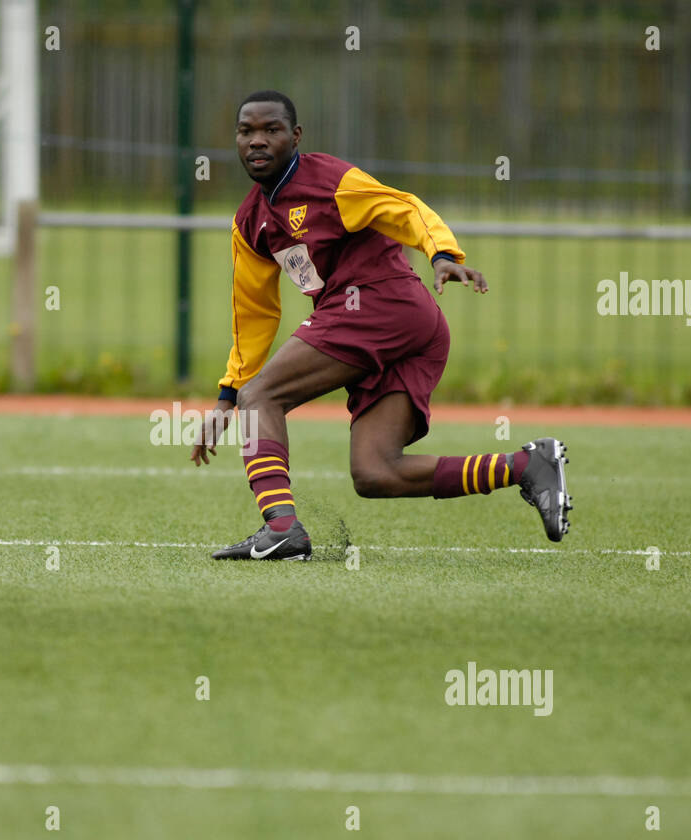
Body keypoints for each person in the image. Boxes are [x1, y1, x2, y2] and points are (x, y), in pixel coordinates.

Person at [191, 90, 571, 560]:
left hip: (379, 304)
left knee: (262, 397)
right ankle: (526, 465)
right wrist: (228, 395)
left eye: (271, 129)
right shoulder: (250, 223)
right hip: (404, 327)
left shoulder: (329, 181)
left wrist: (444, 254)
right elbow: (254, 314)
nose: (257, 141)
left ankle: (282, 528)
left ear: (296, 135)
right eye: (246, 131)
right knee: (376, 473)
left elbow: (404, 208)